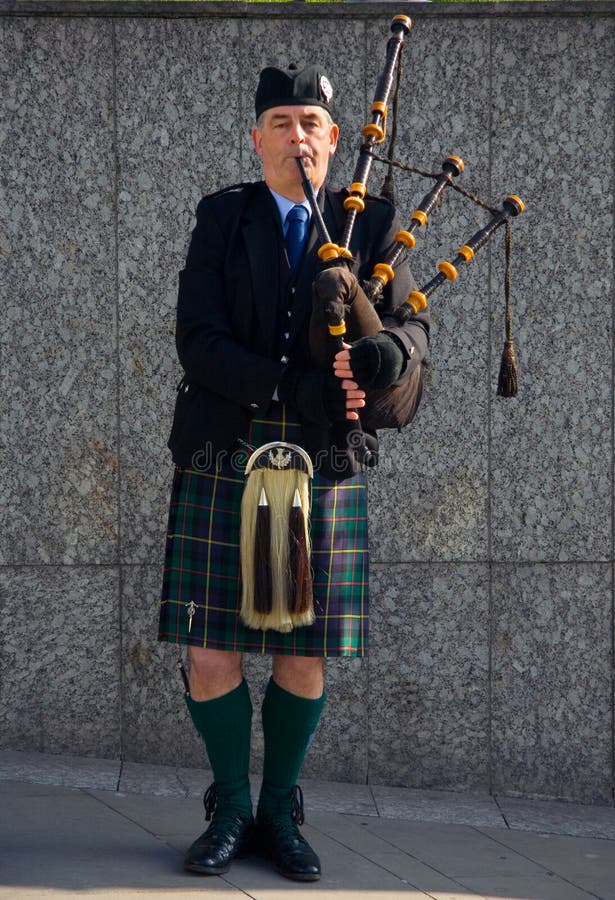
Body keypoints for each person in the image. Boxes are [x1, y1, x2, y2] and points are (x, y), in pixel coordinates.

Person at [158, 62, 429, 883]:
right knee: (210, 650)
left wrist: (386, 355)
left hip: (321, 462)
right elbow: (197, 341)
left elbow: (413, 334)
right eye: (280, 122)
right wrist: (287, 384)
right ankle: (231, 806)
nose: (296, 137)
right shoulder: (223, 217)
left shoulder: (375, 222)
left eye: (310, 123)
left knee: (300, 652)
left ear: (335, 140)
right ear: (257, 138)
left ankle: (280, 808)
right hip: (225, 451)